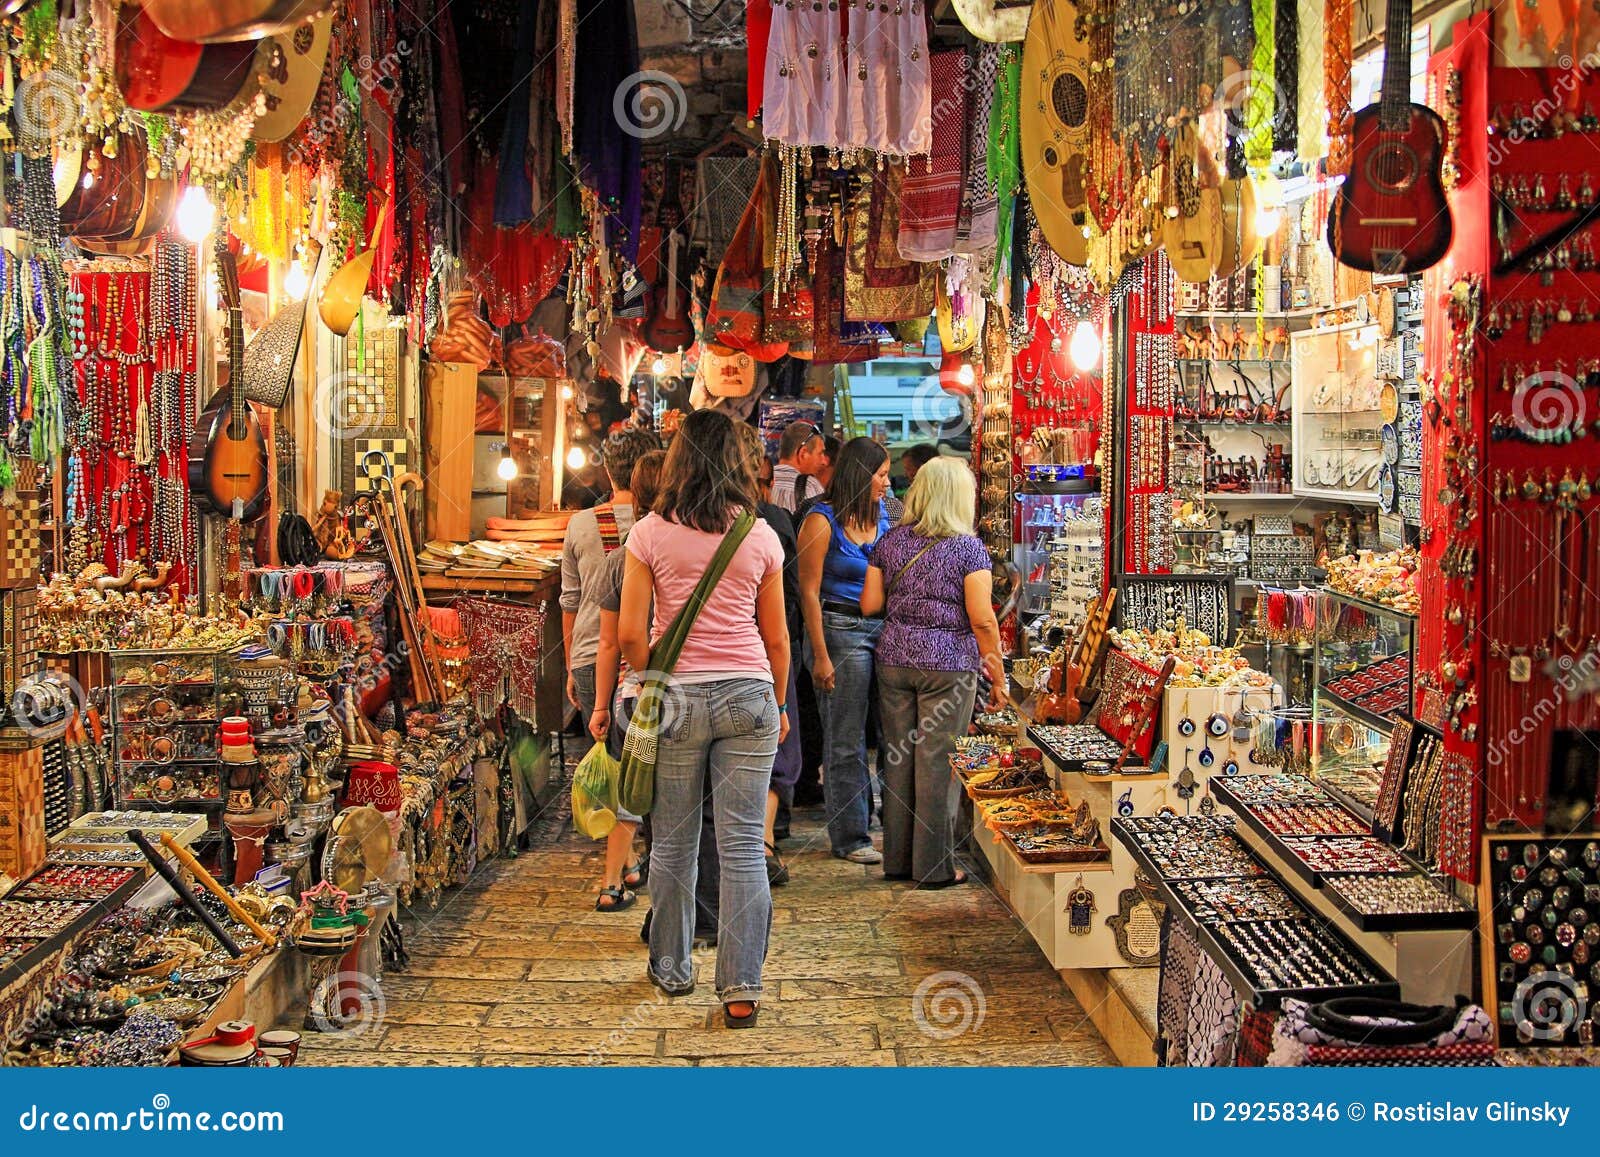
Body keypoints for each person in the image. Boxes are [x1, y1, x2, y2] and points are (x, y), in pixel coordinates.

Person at [618, 409, 789, 1027]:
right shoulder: (759, 534)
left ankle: (672, 965)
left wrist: (648, 677)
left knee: (674, 841)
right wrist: (782, 702)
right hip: (749, 694)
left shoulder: (648, 534)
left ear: (679, 461)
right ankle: (741, 984)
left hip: (678, 701)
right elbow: (777, 640)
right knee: (743, 845)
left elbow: (633, 635)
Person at [861, 457, 1006, 887]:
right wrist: (997, 676)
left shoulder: (890, 542)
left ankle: (898, 860)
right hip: (949, 666)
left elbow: (870, 605)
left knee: (899, 760)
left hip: (894, 661)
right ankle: (933, 867)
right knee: (937, 764)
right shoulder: (968, 549)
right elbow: (982, 620)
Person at [797, 436, 892, 864]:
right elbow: (808, 593)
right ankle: (851, 835)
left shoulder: (884, 516)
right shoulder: (821, 521)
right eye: (882, 475)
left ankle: (890, 820)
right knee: (846, 737)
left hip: (884, 628)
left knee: (891, 734)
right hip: (839, 629)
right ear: (861, 473)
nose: (887, 484)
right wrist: (819, 653)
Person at [588, 450, 666, 912]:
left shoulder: (623, 557)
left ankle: (611, 881)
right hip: (675, 693)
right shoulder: (692, 546)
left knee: (629, 793)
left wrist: (600, 706)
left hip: (632, 694)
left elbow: (609, 643)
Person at [561, 425, 661, 753]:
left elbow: (570, 602)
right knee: (647, 768)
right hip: (650, 658)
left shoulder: (580, 524)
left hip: (591, 655)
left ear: (607, 470)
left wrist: (570, 665)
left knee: (604, 764)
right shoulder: (666, 525)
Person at [734, 422, 801, 886]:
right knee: (773, 758)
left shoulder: (661, 529)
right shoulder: (766, 527)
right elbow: (780, 628)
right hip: (758, 665)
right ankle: (761, 845)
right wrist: (780, 700)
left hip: (683, 683)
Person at [771, 419, 826, 513]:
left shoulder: (759, 481)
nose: (823, 461)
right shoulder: (810, 486)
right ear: (803, 453)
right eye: (820, 453)